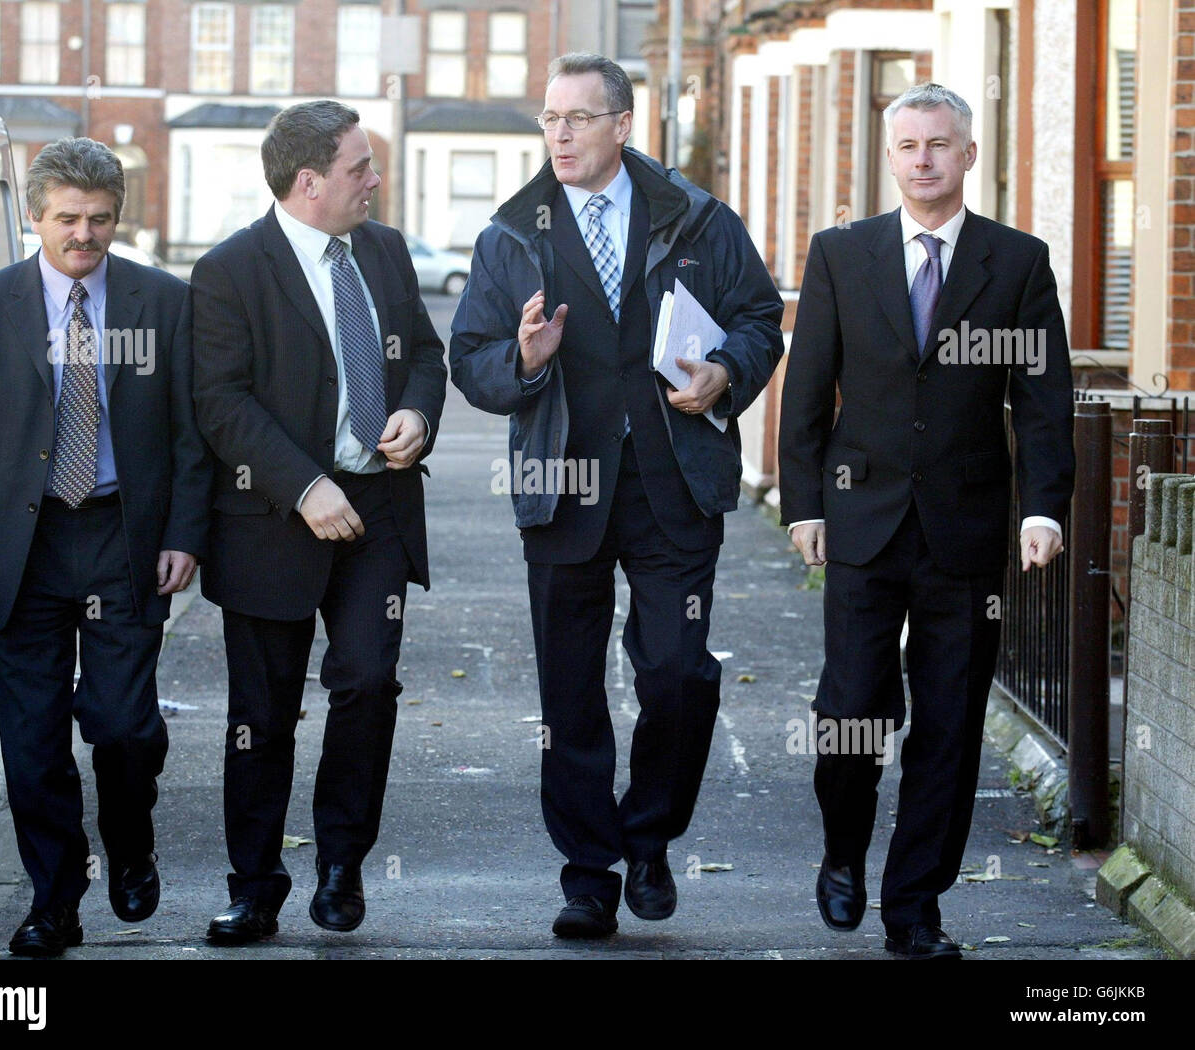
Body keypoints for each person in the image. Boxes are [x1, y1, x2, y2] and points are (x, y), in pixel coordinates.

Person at [449, 52, 784, 939]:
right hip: (560, 486)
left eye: (578, 119)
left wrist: (725, 373)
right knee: (570, 692)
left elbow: (760, 318)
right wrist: (520, 361)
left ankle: (650, 838)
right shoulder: (512, 232)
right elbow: (469, 360)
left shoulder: (697, 218)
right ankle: (588, 871)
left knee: (677, 673)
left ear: (623, 125)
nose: (559, 134)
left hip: (675, 479)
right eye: (549, 120)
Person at [779, 83, 1075, 959]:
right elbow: (806, 393)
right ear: (890, 157)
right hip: (861, 523)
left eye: (939, 145)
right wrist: (803, 505)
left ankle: (915, 911)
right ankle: (842, 852)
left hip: (967, 534)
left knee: (949, 726)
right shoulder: (841, 254)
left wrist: (1045, 509)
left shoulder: (1017, 262)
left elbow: (1044, 402)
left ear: (968, 155)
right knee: (852, 712)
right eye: (907, 146)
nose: (923, 160)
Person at [0, 137, 211, 957]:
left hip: (126, 537)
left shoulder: (165, 301)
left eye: (99, 220)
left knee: (123, 727)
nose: (83, 236)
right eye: (67, 220)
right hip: (26, 543)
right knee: (32, 741)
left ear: (118, 218)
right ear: (34, 216)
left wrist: (186, 535)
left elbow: (193, 436)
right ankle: (54, 900)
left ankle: (131, 844)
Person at [191, 100, 446, 944]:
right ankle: (254, 887)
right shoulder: (231, 269)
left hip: (375, 505)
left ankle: (342, 867)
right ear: (309, 183)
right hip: (273, 516)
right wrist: (302, 486)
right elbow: (219, 401)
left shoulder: (385, 249)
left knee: (368, 683)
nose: (375, 180)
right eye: (359, 168)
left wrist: (415, 412)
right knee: (261, 713)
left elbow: (426, 356)